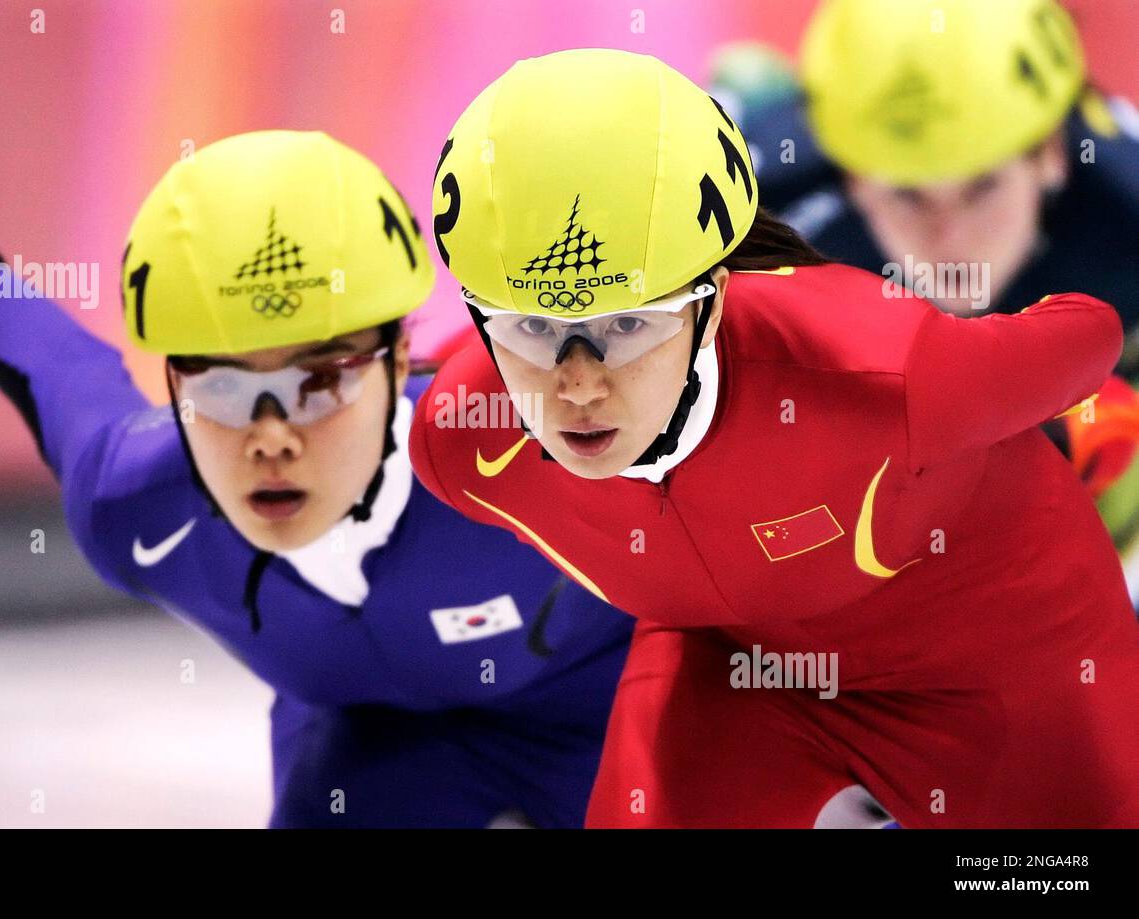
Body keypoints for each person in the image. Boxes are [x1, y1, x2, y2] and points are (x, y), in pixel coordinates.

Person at [410, 48, 1139, 827]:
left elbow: (1087, 334)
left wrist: (1071, 427)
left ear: (715, 301)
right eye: (531, 326)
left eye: (626, 324)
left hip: (1001, 652)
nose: (578, 384)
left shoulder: (877, 374)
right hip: (743, 666)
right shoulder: (463, 446)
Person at [0, 130, 633, 829]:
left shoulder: (531, 443)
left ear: (400, 362)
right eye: (223, 388)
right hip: (377, 743)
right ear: (172, 383)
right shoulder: (139, 509)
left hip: (609, 712)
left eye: (321, 381)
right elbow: (60, 372)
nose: (270, 437)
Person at [718, 0, 1139, 588]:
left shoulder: (1124, 206)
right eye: (908, 196)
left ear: (1050, 156)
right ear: (853, 181)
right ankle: (761, 90)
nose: (949, 239)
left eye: (982, 187)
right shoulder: (752, 200)